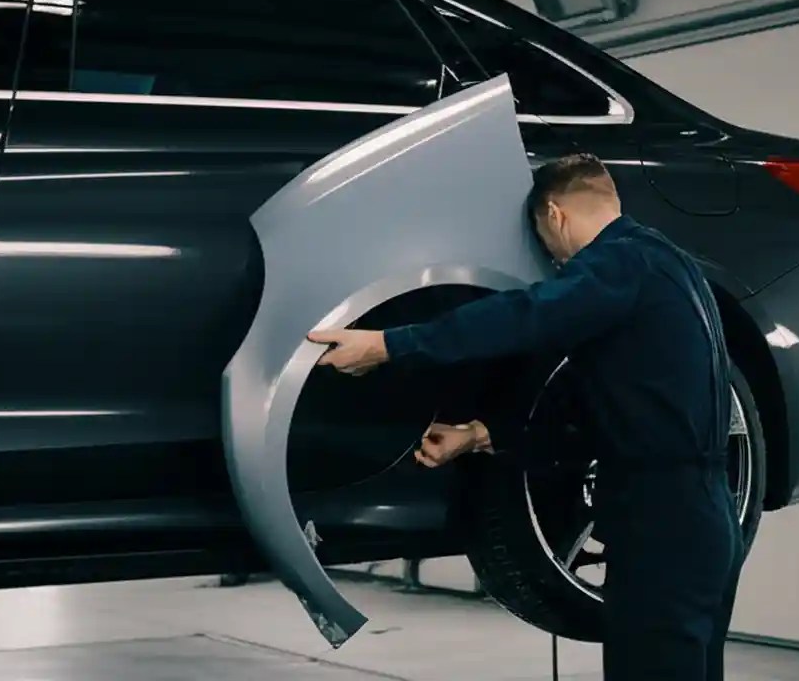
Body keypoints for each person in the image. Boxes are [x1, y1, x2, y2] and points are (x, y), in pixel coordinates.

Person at [307, 153, 745, 681]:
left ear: (555, 216)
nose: (552, 259)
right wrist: (480, 435)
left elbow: (525, 314)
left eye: (543, 239)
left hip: (662, 520)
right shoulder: (671, 267)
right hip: (706, 515)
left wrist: (388, 345)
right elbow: (603, 413)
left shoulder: (618, 264)